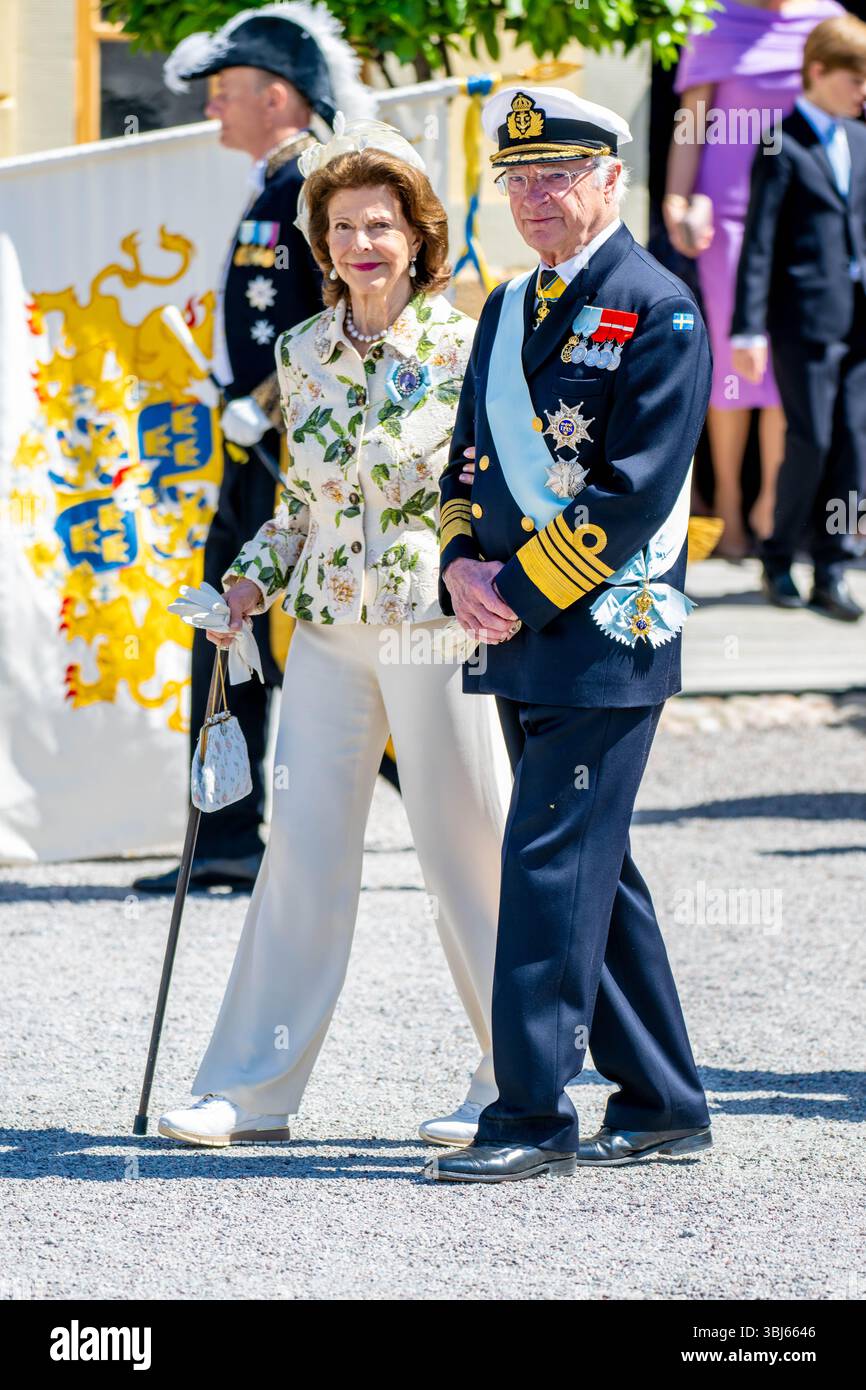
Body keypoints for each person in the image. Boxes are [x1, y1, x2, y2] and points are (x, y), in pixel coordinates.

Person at [157, 117, 513, 1150]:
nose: (363, 243)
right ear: (322, 245)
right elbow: (297, 509)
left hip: (432, 630)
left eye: (382, 225)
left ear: (418, 238)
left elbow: (494, 490)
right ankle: (249, 1092)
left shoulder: (467, 344)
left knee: (465, 856)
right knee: (300, 858)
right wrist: (244, 585)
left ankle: (511, 1080)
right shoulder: (299, 352)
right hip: (325, 633)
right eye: (344, 227)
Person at [427, 87, 713, 1184]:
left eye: (557, 176)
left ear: (610, 182)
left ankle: (532, 1116)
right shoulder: (506, 308)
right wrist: (458, 561)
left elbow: (635, 490)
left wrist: (516, 590)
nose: (534, 197)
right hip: (516, 623)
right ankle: (660, 1100)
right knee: (593, 865)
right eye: (518, 180)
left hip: (599, 637)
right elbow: (467, 460)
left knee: (545, 864)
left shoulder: (659, 307)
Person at [134, 3, 375, 894]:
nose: (211, 111)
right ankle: (230, 831)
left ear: (277, 97)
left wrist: (264, 402)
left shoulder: (314, 182)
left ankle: (460, 797)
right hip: (260, 443)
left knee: (284, 631)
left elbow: (336, 313)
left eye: (226, 93)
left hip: (295, 451)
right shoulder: (278, 179)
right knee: (233, 630)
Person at [666, 0, 843, 559]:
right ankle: (730, 512)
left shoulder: (827, 20)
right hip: (728, 222)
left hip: (806, 224)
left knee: (790, 368)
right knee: (734, 372)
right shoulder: (714, 21)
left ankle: (772, 507)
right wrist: (677, 197)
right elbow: (692, 123)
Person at [731, 12, 866, 622]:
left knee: (855, 442)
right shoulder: (778, 141)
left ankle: (834, 564)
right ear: (818, 71)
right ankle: (780, 553)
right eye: (856, 78)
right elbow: (758, 242)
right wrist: (747, 326)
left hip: (858, 321)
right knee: (810, 439)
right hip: (802, 320)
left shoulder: (860, 139)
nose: (864, 92)